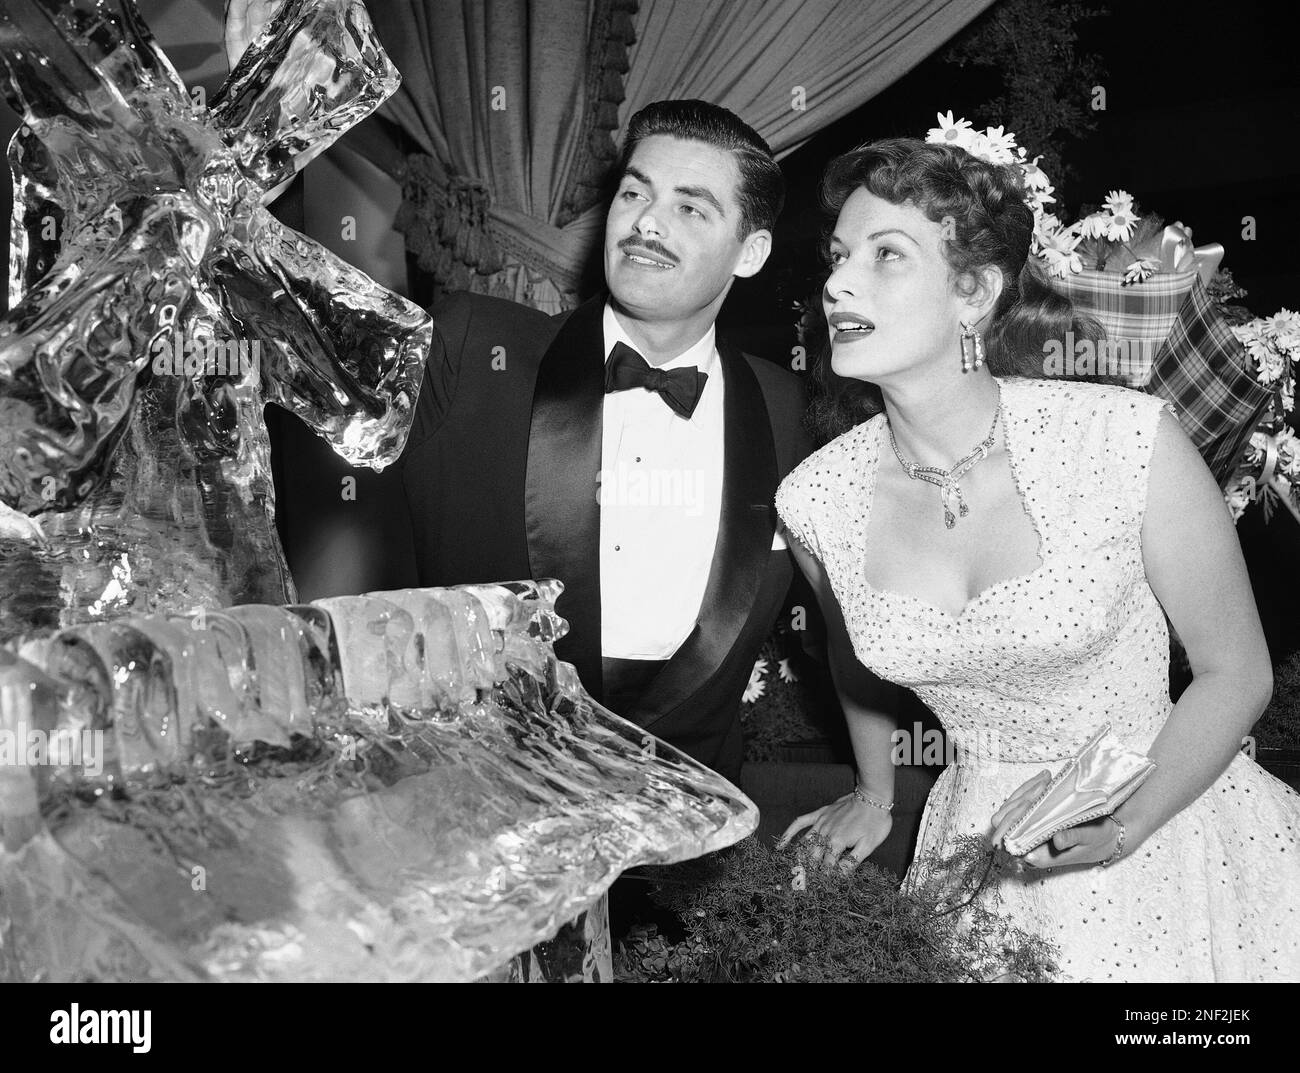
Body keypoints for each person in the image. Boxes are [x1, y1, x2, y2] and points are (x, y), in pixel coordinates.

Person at [774, 136, 1300, 982]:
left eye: (885, 256)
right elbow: (854, 655)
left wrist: (1124, 822)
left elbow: (1236, 674)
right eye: (837, 257)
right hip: (974, 862)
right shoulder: (815, 502)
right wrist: (877, 793)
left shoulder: (1126, 441)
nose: (838, 283)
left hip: (1168, 825)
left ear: (974, 293)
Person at [396, 100, 811, 785]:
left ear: (752, 252)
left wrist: (875, 791)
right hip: (482, 804)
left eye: (691, 208)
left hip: (688, 831)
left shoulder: (790, 408)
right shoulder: (472, 347)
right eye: (635, 192)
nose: (648, 220)